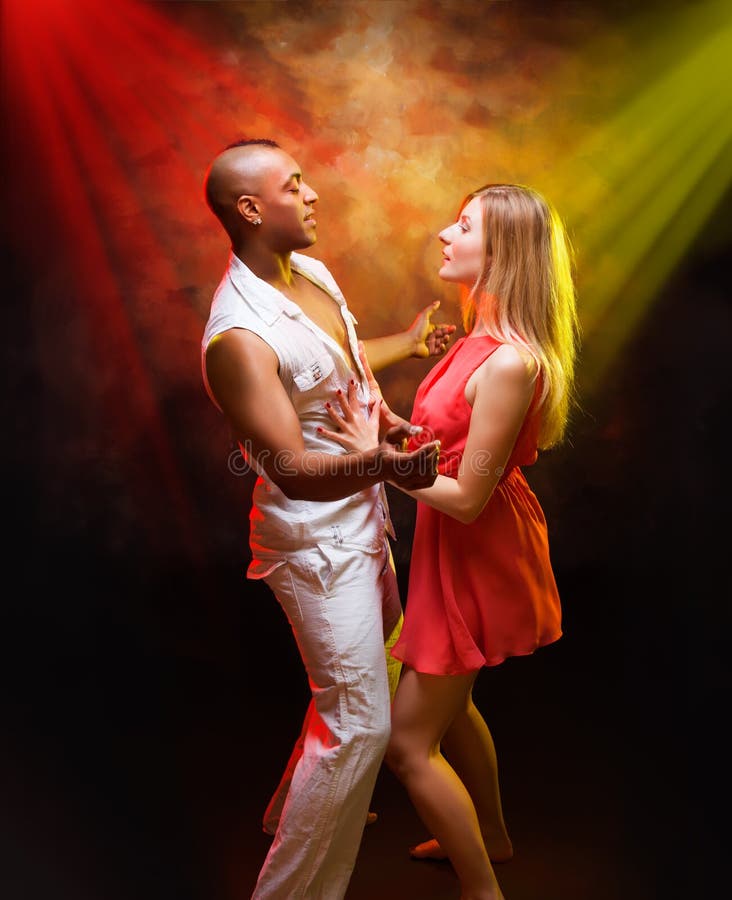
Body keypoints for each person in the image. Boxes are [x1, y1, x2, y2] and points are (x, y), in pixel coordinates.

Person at [200, 137, 452, 900]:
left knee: (366, 673)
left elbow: (337, 374)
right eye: (294, 185)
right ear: (251, 209)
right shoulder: (236, 338)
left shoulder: (307, 272)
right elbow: (292, 471)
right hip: (315, 548)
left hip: (364, 522)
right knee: (360, 726)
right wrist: (389, 464)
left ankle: (288, 811)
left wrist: (401, 359)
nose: (312, 195)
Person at [320, 183, 579, 900]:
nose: (443, 233)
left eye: (463, 226)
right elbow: (446, 445)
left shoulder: (511, 362)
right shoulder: (478, 339)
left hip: (478, 548)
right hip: (455, 543)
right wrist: (393, 425)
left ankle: (482, 890)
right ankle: (491, 838)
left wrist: (375, 457)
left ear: (501, 254)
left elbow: (466, 499)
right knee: (454, 704)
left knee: (408, 745)